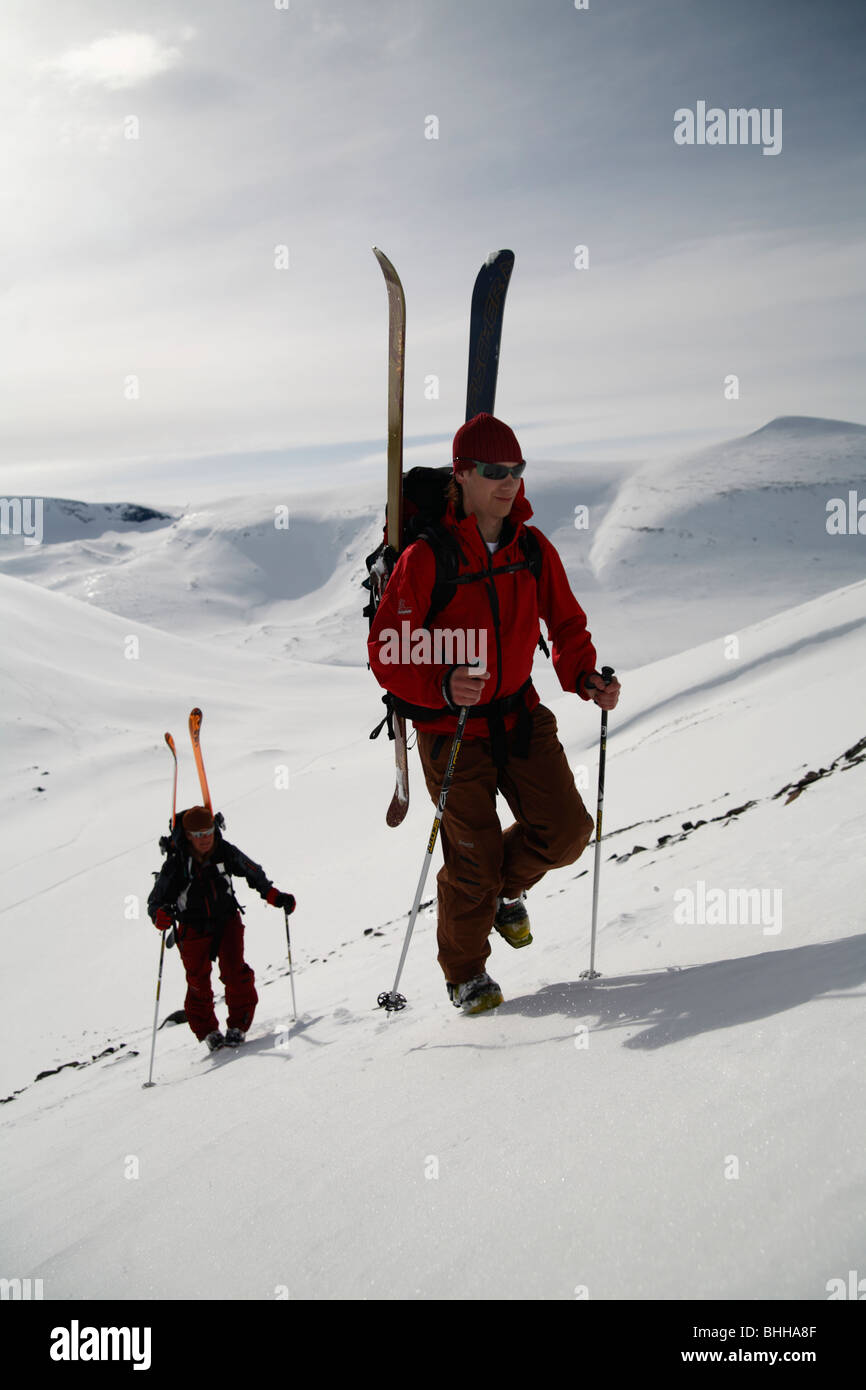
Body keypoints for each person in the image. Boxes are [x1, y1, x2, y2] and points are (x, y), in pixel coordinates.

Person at [368, 412, 621, 1015]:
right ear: (463, 474)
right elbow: (386, 648)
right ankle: (465, 972)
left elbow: (564, 622)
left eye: (516, 470)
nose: (509, 482)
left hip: (519, 715)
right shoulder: (428, 557)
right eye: (493, 471)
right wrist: (443, 681)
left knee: (567, 834)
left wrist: (584, 675)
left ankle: (500, 894)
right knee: (472, 860)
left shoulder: (530, 547)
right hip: (448, 728)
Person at [147, 805, 296, 1051]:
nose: (204, 839)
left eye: (208, 832)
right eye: (198, 835)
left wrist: (273, 895)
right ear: (187, 836)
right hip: (192, 929)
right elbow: (156, 900)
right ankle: (209, 1032)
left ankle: (238, 1027)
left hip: (226, 921)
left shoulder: (223, 850)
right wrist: (159, 916)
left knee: (235, 972)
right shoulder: (176, 865)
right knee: (198, 983)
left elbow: (252, 871)